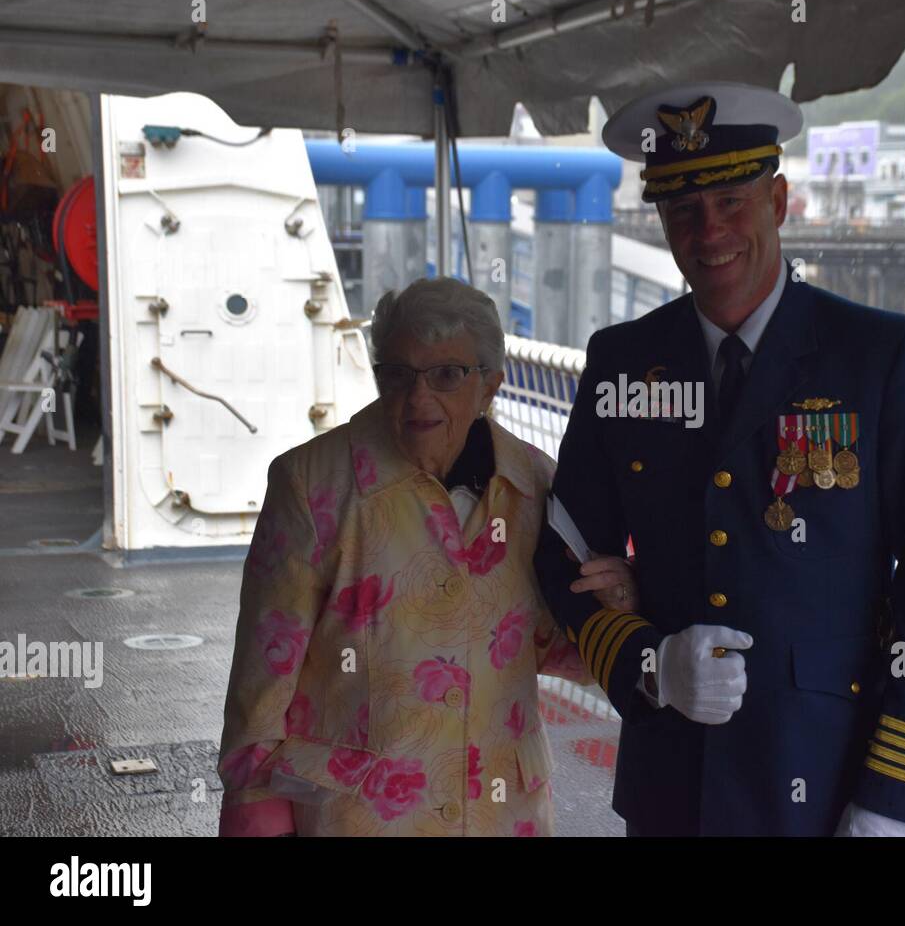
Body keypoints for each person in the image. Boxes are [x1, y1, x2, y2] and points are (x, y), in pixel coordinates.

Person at [534, 82, 905, 836]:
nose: (709, 231)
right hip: (671, 783)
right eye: (683, 210)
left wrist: (893, 801)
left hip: (828, 777)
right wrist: (650, 663)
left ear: (777, 201)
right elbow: (564, 548)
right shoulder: (624, 363)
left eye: (731, 201)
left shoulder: (884, 358)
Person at [217, 277, 632, 836]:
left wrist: (616, 605)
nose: (419, 398)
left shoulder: (535, 486)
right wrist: (257, 816)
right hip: (360, 816)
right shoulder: (312, 484)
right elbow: (262, 681)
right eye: (398, 374)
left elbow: (558, 653)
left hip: (500, 813)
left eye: (446, 375)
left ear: (490, 385)